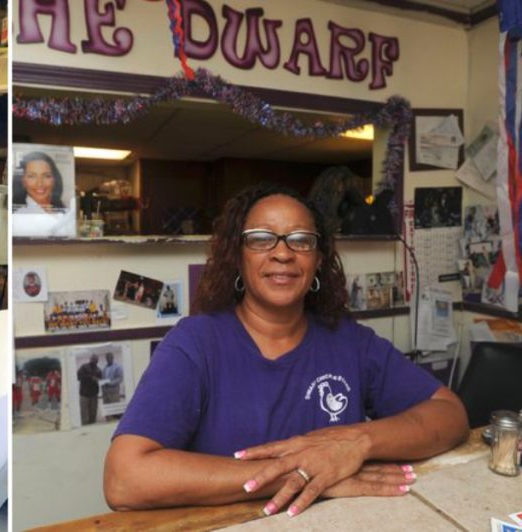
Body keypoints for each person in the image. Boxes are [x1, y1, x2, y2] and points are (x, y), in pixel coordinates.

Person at [104, 183, 468, 517]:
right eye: (262, 238)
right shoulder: (196, 343)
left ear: (319, 259)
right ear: (238, 255)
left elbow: (450, 416)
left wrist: (358, 443)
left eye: (301, 240)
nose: (283, 253)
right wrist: (303, 475)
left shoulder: (349, 341)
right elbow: (124, 479)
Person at [77, 354, 103, 425]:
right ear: (90, 359)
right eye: (94, 359)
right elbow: (78, 376)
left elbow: (100, 378)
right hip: (84, 394)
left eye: (97, 359)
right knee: (84, 414)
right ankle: (84, 426)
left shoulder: (98, 369)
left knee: (93, 413)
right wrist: (91, 378)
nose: (95, 361)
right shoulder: (84, 367)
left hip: (94, 394)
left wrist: (98, 379)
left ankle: (92, 425)